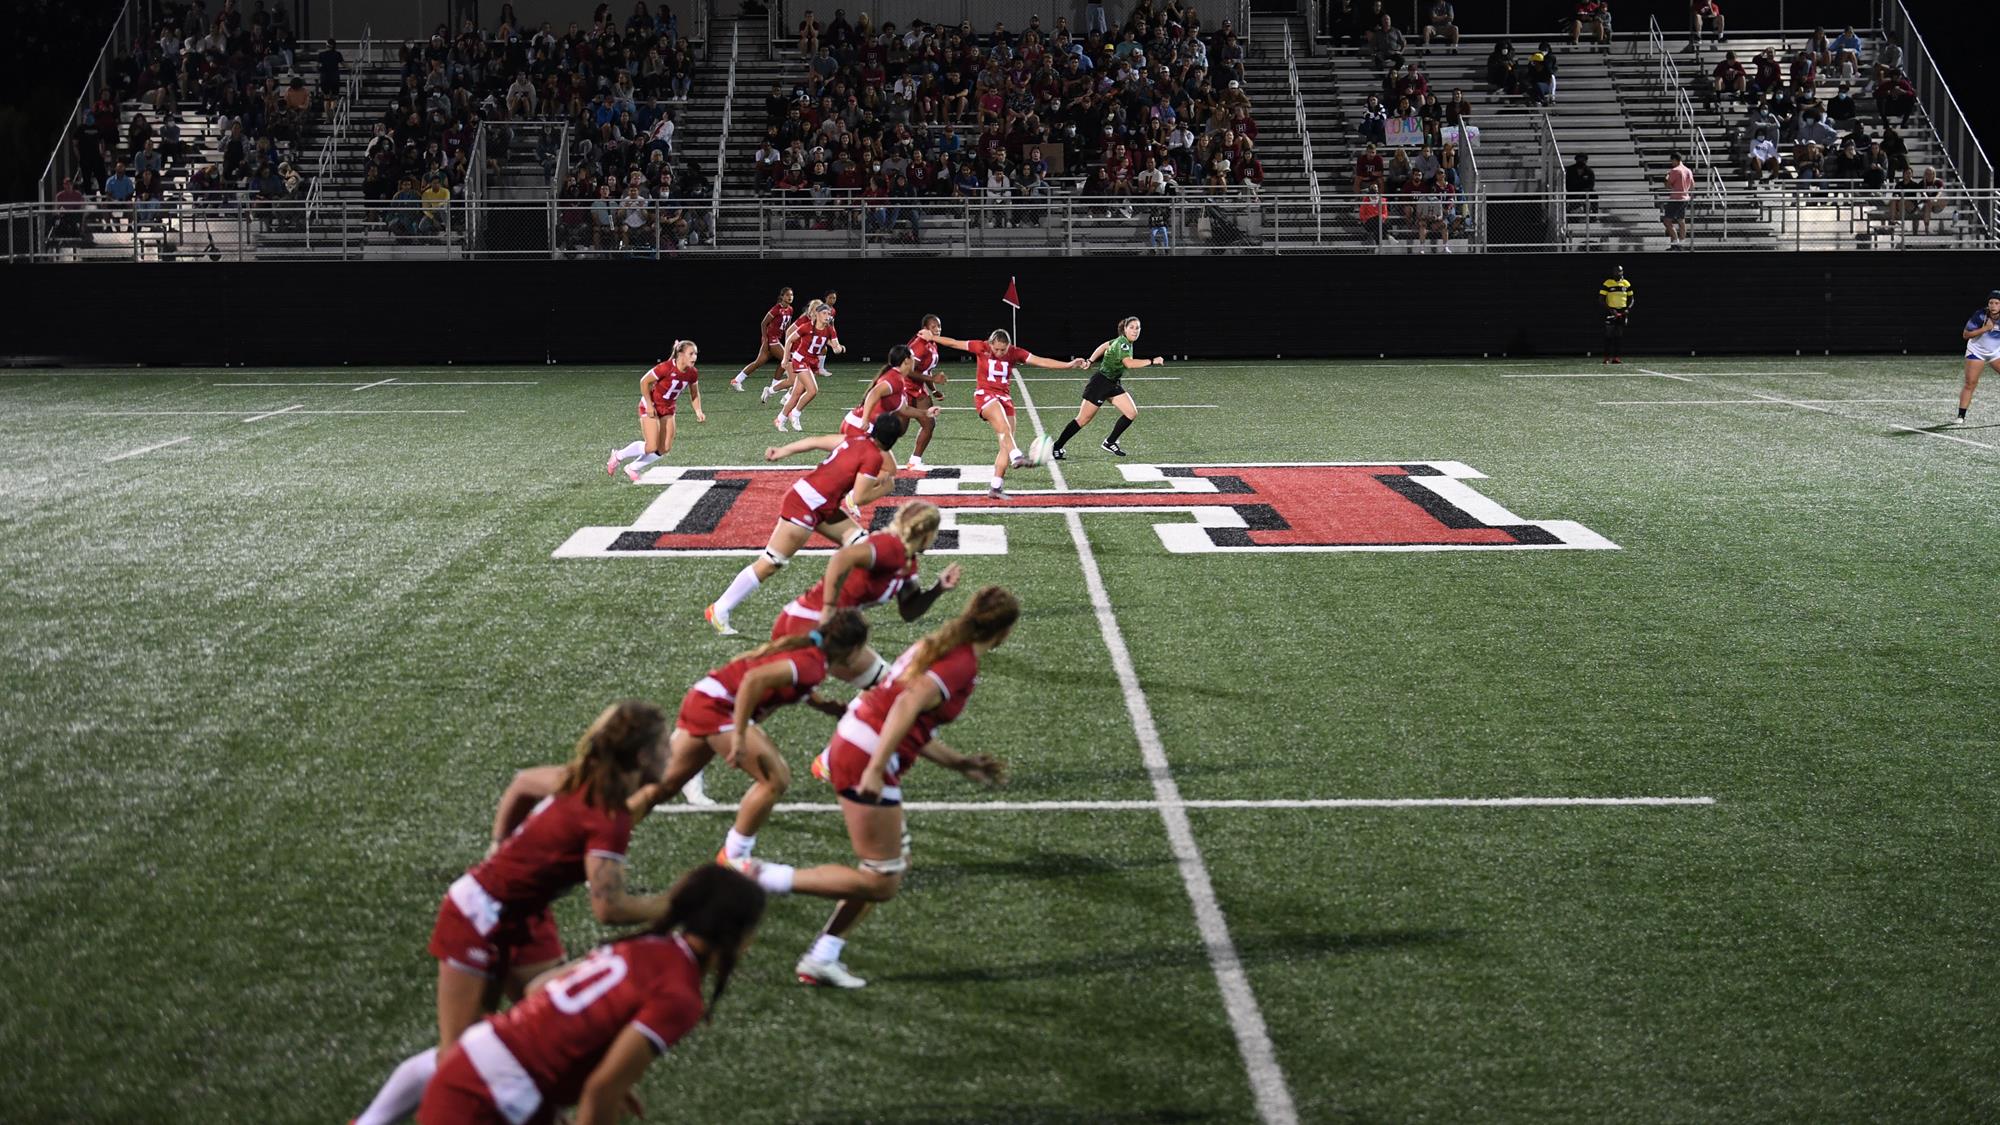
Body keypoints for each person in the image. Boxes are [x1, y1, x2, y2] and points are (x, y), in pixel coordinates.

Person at [351, 701, 680, 1125]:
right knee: (460, 1055)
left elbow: (523, 783)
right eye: (663, 747)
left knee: (549, 1021)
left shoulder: (579, 781)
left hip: (524, 918)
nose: (672, 754)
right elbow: (608, 907)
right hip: (478, 917)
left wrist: (499, 845)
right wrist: (675, 903)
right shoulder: (607, 817)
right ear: (640, 757)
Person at [736, 586, 1019, 989]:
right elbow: (905, 707)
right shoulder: (959, 663)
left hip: (859, 740)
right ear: (1004, 632)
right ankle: (761, 876)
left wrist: (958, 762)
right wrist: (873, 770)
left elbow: (909, 719)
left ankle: (824, 954)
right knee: (882, 880)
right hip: (865, 755)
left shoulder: (942, 645)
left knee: (888, 866)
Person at [415, 865, 765, 1125]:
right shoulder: (681, 995)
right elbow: (601, 1090)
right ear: (735, 933)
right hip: (491, 1095)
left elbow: (539, 987)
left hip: (486, 1066)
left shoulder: (646, 945)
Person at [641, 610, 868, 870]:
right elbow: (753, 681)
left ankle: (601, 839)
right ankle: (735, 855)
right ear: (852, 648)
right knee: (776, 779)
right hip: (716, 707)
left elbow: (791, 683)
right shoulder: (810, 664)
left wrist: (827, 707)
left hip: (706, 698)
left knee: (663, 787)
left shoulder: (811, 657)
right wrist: (738, 736)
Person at [705, 414, 905, 636]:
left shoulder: (853, 438)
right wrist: (884, 489)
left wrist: (784, 450)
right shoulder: (874, 456)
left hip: (821, 503)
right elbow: (859, 497)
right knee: (771, 563)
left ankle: (838, 609)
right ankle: (720, 608)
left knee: (861, 546)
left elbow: (814, 441)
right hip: (806, 504)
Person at [765, 500, 962, 694]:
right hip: (815, 622)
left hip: (805, 618)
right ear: (927, 534)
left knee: (773, 697)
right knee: (892, 690)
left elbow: (909, 612)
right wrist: (829, 608)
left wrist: (938, 589)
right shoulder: (890, 547)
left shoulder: (907, 560)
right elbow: (841, 558)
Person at [923, 328, 1087, 499]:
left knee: (1005, 441)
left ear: (1009, 346)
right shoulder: (981, 346)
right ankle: (1017, 456)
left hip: (1005, 398)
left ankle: (996, 487)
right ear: (990, 343)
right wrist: (932, 337)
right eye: (996, 349)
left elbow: (1042, 361)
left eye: (1003, 349)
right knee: (1004, 427)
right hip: (985, 395)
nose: (1000, 353)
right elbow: (954, 343)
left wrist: (1068, 365)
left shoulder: (1015, 352)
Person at [1050, 317, 1165, 460]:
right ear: (1124, 329)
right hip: (1100, 384)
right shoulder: (1123, 344)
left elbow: (1104, 346)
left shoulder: (1124, 342)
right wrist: (1152, 361)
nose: (1135, 331)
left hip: (1112, 383)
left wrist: (1090, 361)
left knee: (1131, 412)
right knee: (1083, 419)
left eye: (1138, 327)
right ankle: (1057, 447)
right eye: (1132, 327)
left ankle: (1110, 442)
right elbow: (1128, 363)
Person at [607, 340, 705, 483]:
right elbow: (644, 382)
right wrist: (649, 404)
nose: (694, 357)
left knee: (664, 448)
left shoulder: (692, 373)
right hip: (651, 405)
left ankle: (633, 467)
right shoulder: (665, 368)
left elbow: (695, 393)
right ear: (680, 354)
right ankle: (618, 455)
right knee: (651, 446)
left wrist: (698, 411)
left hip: (668, 409)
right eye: (691, 353)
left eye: (696, 354)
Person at [773, 303, 844, 432]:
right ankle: (795, 414)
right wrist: (785, 358)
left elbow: (836, 348)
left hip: (811, 362)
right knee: (812, 390)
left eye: (829, 314)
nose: (827, 316)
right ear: (816, 314)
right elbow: (789, 339)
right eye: (824, 313)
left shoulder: (830, 329)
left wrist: (839, 348)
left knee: (796, 394)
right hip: (800, 360)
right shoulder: (807, 327)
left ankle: (780, 419)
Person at [901, 314, 950, 472]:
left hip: (918, 388)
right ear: (925, 328)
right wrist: (934, 379)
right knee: (899, 429)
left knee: (929, 423)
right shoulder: (919, 345)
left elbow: (926, 370)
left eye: (939, 326)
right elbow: (908, 371)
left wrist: (934, 390)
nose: (938, 329)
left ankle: (914, 461)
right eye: (934, 326)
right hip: (904, 388)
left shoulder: (932, 344)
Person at [730, 286, 796, 391]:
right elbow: (763, 323)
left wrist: (790, 339)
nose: (790, 297)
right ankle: (775, 384)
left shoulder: (790, 309)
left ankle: (736, 380)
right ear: (782, 297)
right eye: (787, 295)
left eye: (791, 295)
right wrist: (765, 339)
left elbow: (787, 327)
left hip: (776, 339)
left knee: (758, 362)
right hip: (771, 339)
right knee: (787, 359)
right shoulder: (776, 309)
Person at [1950, 290, 2000, 427]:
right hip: (1976, 352)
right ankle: (1961, 415)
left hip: (1995, 353)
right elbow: (1966, 335)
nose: (1993, 306)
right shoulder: (1980, 315)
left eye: (1996, 303)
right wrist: (1985, 328)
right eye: (1991, 302)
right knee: (1970, 383)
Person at [1599, 265, 1634, 365]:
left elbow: (1632, 299)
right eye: (1615, 271)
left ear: (1622, 272)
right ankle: (1606, 358)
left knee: (1619, 336)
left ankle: (1616, 358)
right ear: (1613, 272)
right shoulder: (1607, 283)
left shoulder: (1626, 284)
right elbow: (1601, 299)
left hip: (1622, 312)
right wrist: (1611, 310)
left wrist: (1628, 309)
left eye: (1619, 271)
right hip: (1611, 312)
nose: (1617, 273)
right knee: (1608, 335)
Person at [1662, 151, 1694, 249]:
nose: (1671, 163)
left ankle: (1675, 241)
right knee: (1681, 220)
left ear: (1675, 160)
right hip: (1685, 198)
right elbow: (1692, 185)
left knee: (1667, 220)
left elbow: (1667, 185)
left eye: (1672, 161)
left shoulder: (1675, 170)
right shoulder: (1688, 170)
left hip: (1676, 199)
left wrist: (1666, 177)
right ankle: (1682, 241)